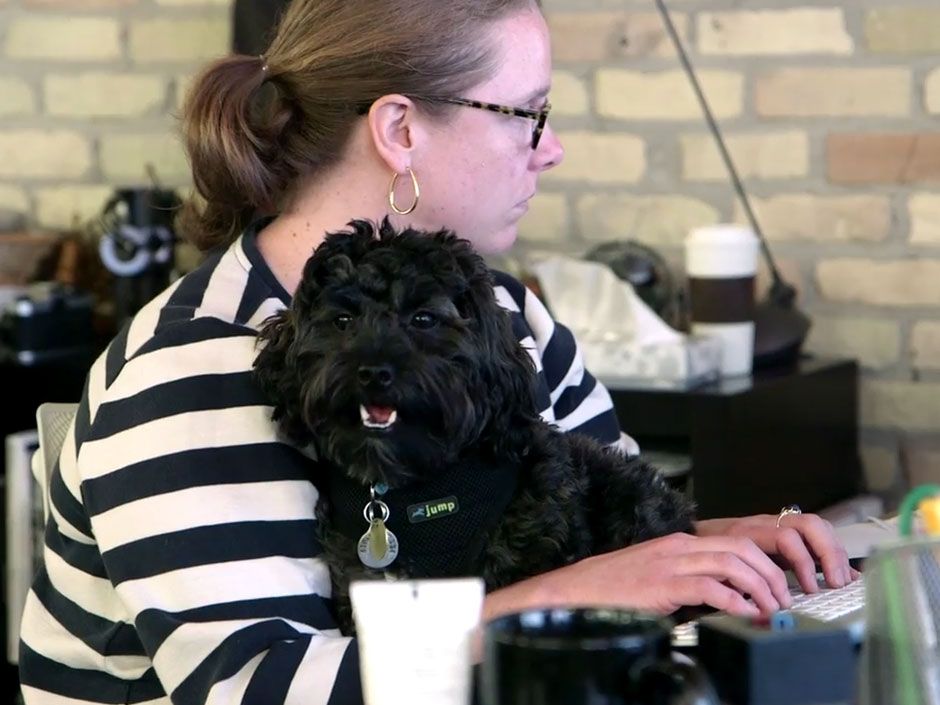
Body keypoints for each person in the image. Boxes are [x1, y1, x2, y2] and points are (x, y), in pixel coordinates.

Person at [18, 0, 857, 702]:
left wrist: (716, 553)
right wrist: (572, 596)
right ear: (400, 130)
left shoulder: (505, 313)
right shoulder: (194, 367)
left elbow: (619, 550)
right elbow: (260, 686)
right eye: (528, 113)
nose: (551, 149)